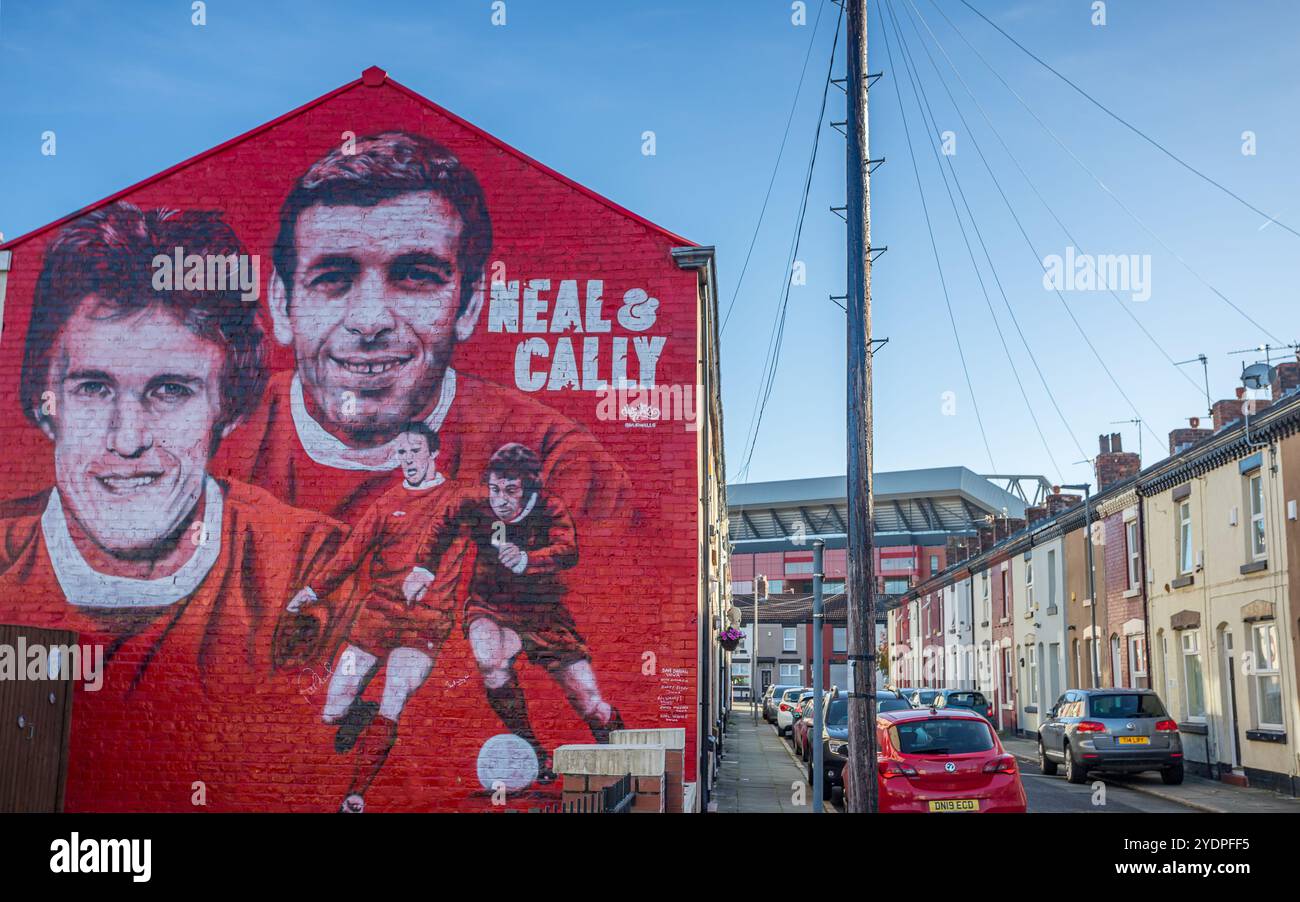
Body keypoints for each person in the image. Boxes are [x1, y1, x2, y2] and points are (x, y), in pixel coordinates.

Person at [0, 203, 350, 810]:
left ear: (229, 408)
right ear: (43, 399)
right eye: (92, 387)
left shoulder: (311, 567)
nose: (128, 438)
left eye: (170, 391)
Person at [215, 131, 630, 530]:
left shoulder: (560, 465)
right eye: (332, 278)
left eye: (415, 276)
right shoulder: (209, 440)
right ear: (282, 304)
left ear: (468, 304)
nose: (370, 320)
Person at [287, 421, 469, 813]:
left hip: (425, 620)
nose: (407, 460)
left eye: (414, 451)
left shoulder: (458, 499)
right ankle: (361, 714)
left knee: (395, 695)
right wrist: (312, 590)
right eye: (400, 453)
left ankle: (356, 793)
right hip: (376, 616)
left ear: (434, 453)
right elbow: (351, 552)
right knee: (333, 710)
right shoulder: (388, 503)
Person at [457, 443, 622, 783]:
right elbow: (440, 523)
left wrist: (528, 559)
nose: (500, 499)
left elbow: (567, 549)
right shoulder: (476, 505)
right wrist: (424, 569)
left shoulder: (550, 508)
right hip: (491, 605)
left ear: (528, 490)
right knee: (491, 659)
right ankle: (532, 750)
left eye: (510, 491)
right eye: (494, 489)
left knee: (591, 703)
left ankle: (625, 762)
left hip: (544, 615)